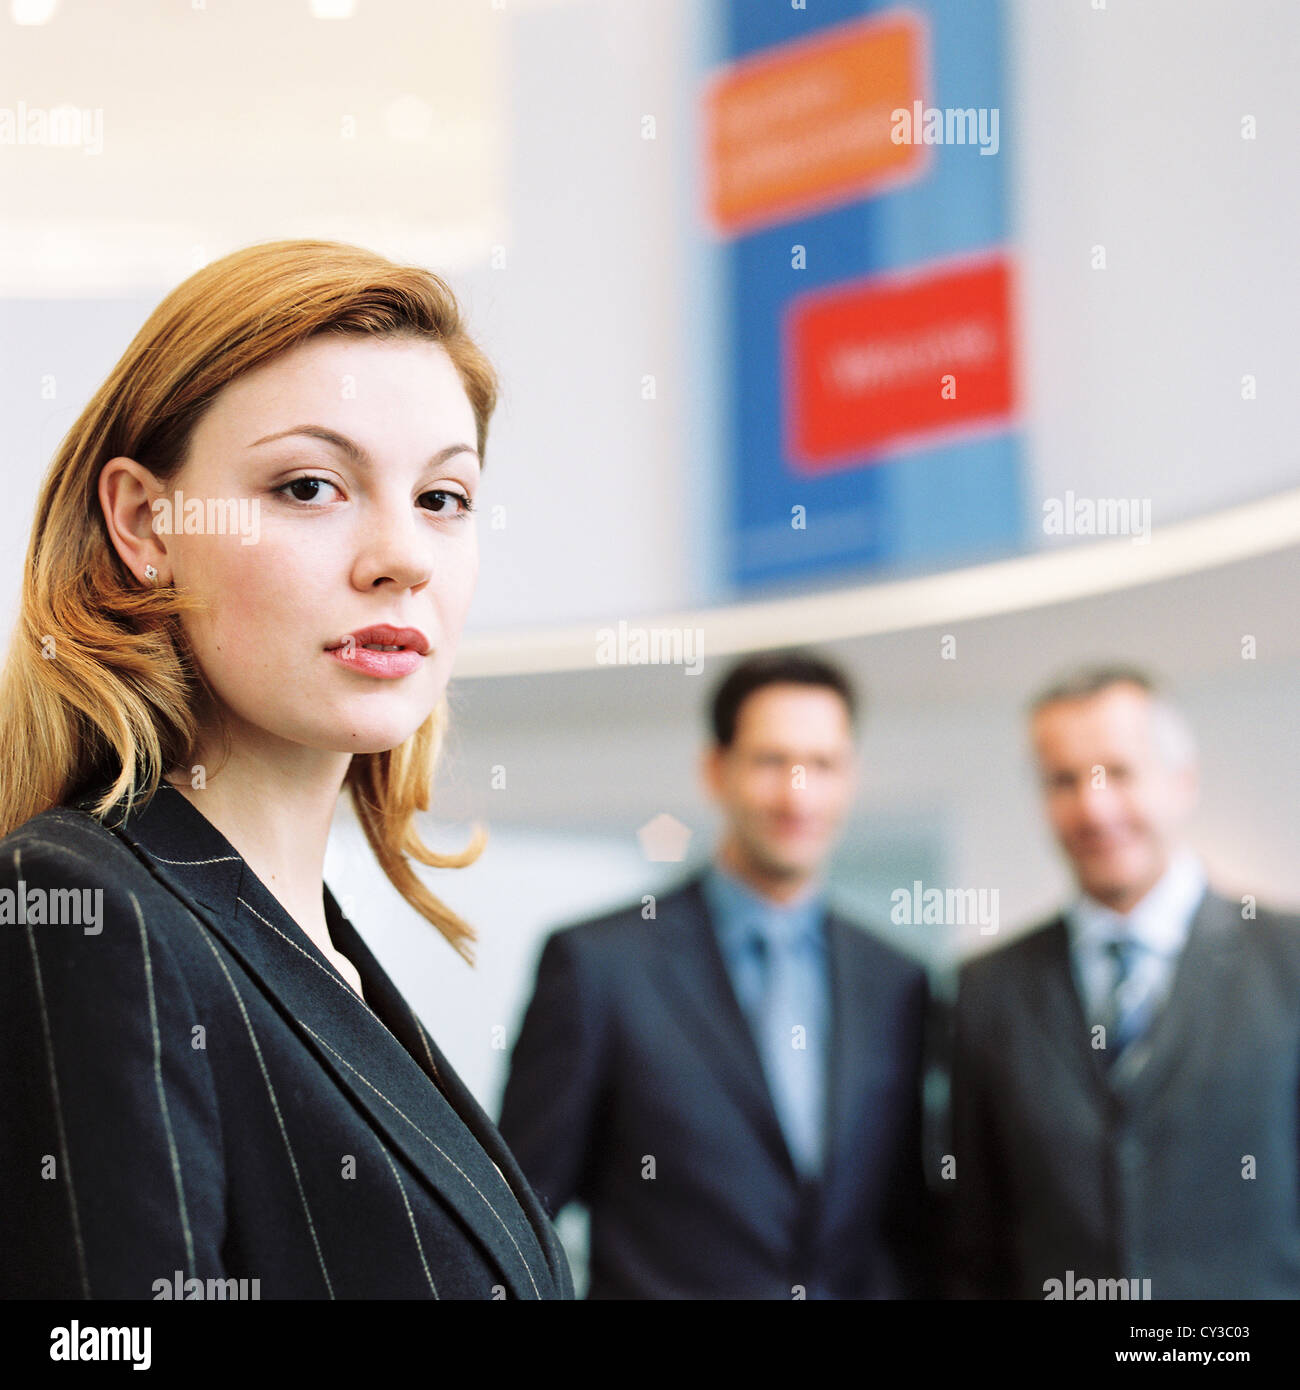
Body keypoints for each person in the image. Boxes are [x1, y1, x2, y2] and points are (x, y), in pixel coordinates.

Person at [0, 240, 572, 1300]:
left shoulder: (318, 948)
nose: (402, 555)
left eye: (443, 498)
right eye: (310, 485)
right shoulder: (80, 909)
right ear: (144, 523)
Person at [498, 651, 935, 1299]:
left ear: (851, 777)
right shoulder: (599, 966)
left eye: (822, 765)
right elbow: (517, 1219)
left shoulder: (897, 982)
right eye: (770, 761)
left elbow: (906, 1227)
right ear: (716, 770)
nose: (798, 793)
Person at [949, 666, 1300, 1299]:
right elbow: (974, 1239)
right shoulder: (986, 991)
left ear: (1181, 781)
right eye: (1064, 781)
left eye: (1120, 771)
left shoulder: (1288, 959)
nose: (1094, 806)